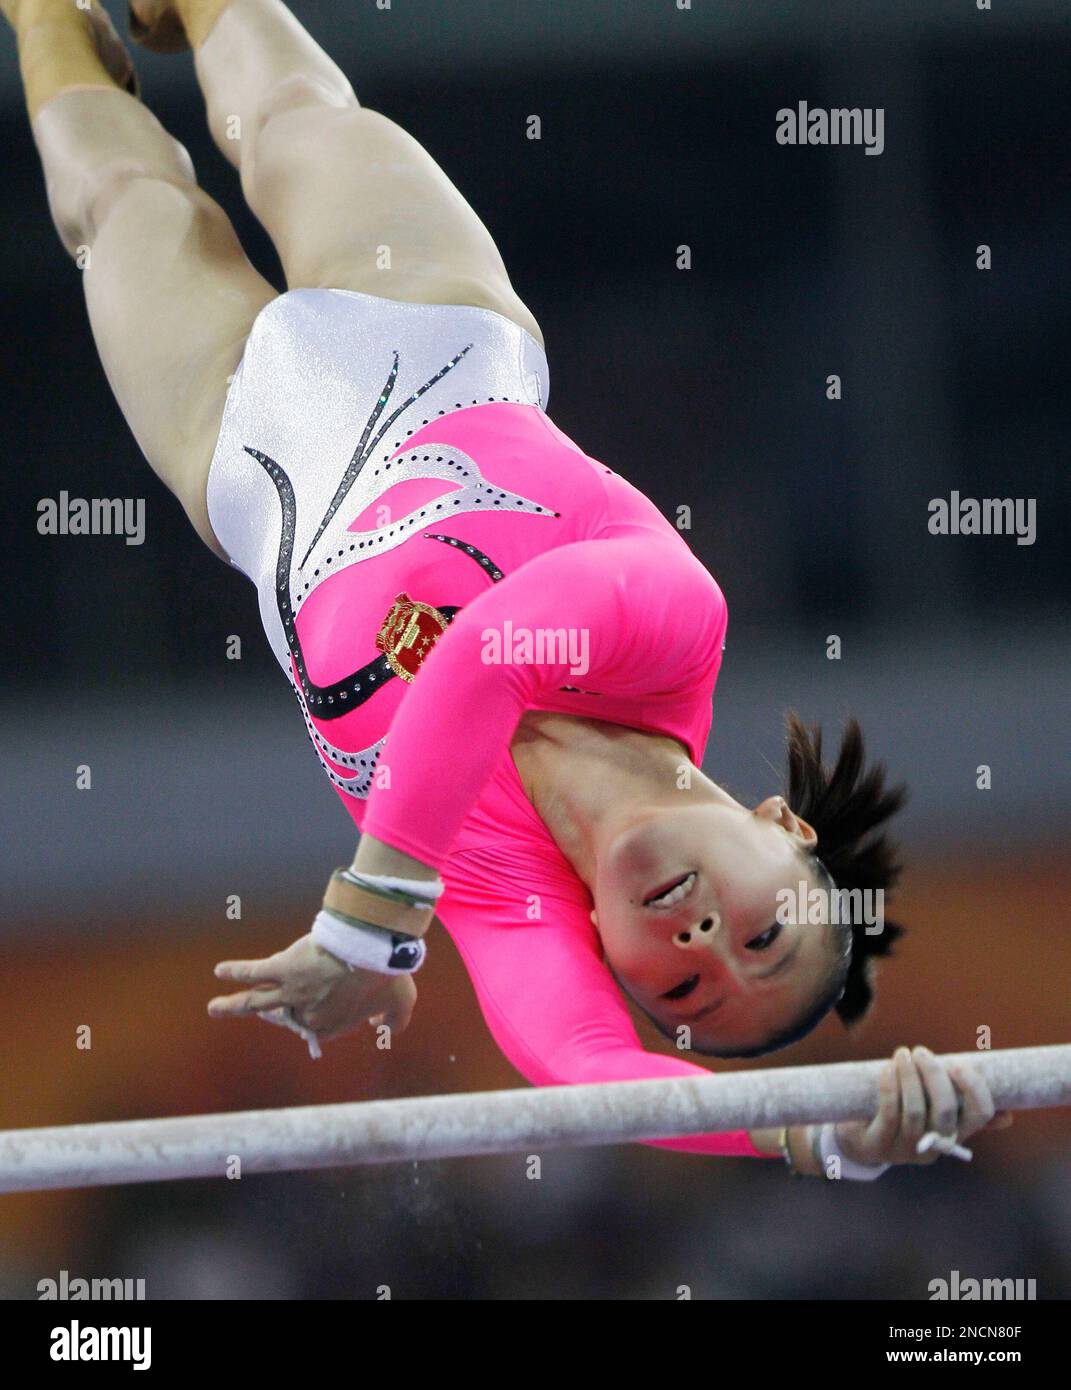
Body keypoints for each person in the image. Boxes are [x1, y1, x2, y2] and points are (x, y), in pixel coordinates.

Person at [4, 0, 1011, 1178]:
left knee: (115, 202)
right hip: (424, 324)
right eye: (761, 931)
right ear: (783, 828)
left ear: (614, 961)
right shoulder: (675, 633)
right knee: (279, 118)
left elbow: (589, 1076)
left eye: (686, 983)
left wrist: (821, 1134)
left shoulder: (499, 893)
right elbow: (491, 650)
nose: (701, 938)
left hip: (243, 457)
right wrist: (373, 912)